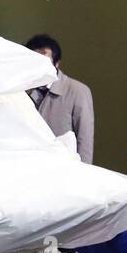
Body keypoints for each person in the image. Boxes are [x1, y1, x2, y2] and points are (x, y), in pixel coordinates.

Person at [25, 33, 95, 164]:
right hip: (31, 166)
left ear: (56, 63)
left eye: (44, 58)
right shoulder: (23, 90)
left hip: (63, 169)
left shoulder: (77, 91)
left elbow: (84, 140)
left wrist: (84, 173)